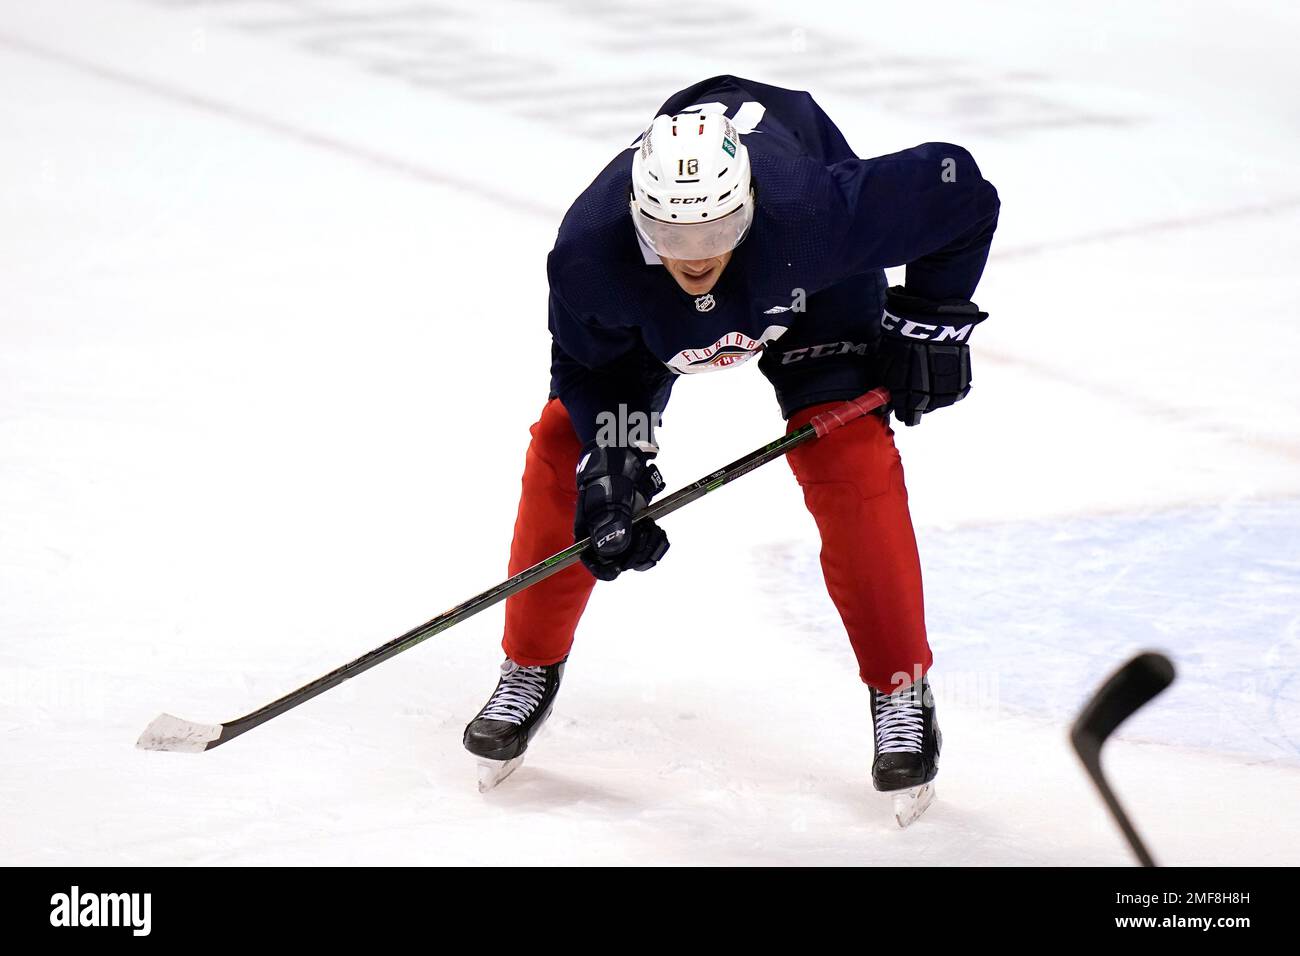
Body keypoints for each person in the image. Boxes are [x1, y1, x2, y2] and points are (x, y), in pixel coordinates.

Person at [463, 75, 999, 809]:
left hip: (809, 293)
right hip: (657, 323)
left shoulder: (813, 217)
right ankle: (528, 664)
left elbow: (959, 191)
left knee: (848, 457)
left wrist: (930, 321)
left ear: (749, 206)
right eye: (671, 235)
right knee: (567, 450)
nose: (695, 258)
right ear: (636, 215)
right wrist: (615, 464)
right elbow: (593, 372)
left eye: (715, 233)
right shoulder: (591, 255)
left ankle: (899, 686)